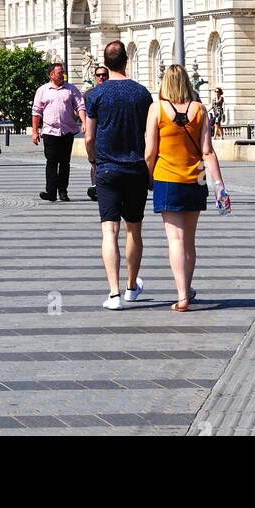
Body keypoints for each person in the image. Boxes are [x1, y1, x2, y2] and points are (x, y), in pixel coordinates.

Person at [145, 64, 231, 311]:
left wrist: (147, 177)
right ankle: (188, 289)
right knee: (189, 240)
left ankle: (182, 295)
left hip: (166, 179)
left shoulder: (157, 109)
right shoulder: (199, 110)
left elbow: (150, 151)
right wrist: (220, 187)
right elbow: (208, 151)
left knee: (175, 239)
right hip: (196, 179)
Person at [84, 40, 153, 309]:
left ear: (105, 62)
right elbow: (150, 136)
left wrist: (94, 161)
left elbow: (89, 137)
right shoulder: (142, 94)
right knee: (134, 229)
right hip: (136, 168)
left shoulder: (95, 96)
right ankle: (131, 287)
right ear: (126, 61)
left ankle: (113, 294)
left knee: (109, 231)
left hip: (107, 169)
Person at [31, 62, 87, 202]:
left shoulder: (71, 89)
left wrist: (84, 122)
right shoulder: (43, 90)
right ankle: (51, 192)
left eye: (63, 72)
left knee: (64, 163)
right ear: (51, 75)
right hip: (50, 131)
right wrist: (35, 131)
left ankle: (63, 191)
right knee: (51, 162)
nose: (62, 75)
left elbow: (80, 106)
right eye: (59, 73)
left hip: (67, 131)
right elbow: (36, 111)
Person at [86, 65, 109, 200]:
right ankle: (96, 186)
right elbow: (81, 110)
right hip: (95, 134)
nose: (102, 77)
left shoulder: (113, 91)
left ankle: (103, 187)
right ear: (95, 77)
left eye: (104, 74)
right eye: (99, 75)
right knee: (94, 163)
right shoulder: (89, 94)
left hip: (108, 134)